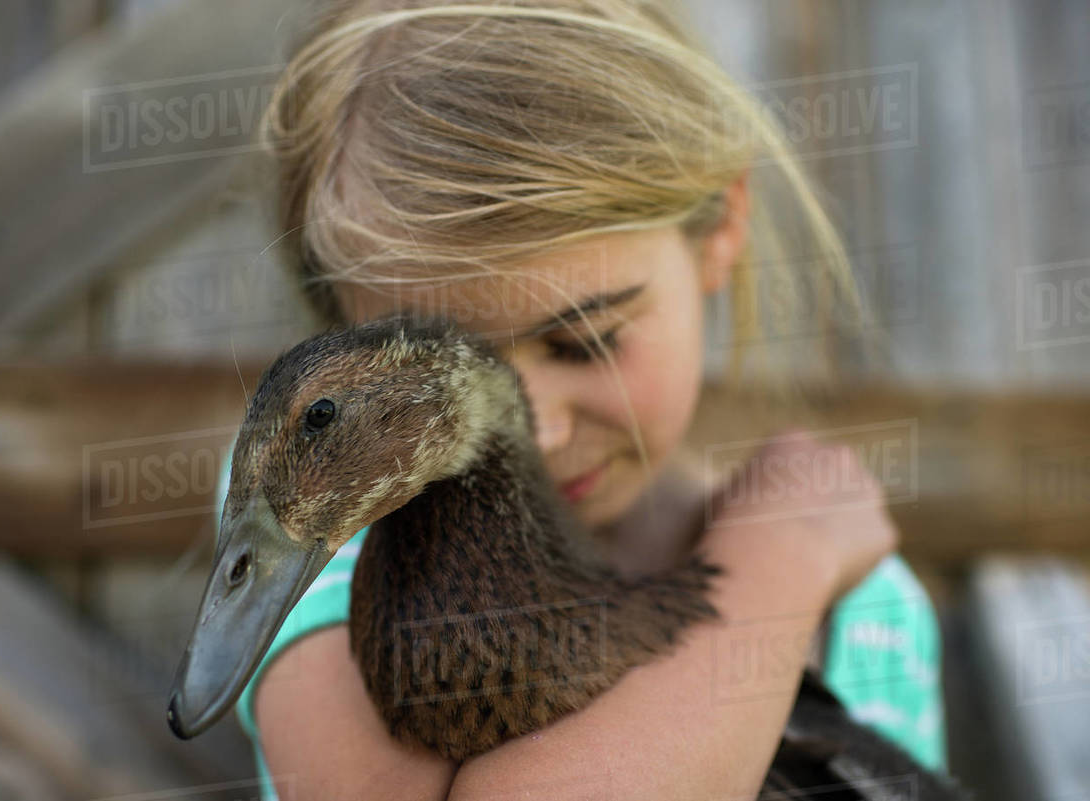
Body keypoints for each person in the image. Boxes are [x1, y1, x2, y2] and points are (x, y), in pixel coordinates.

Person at [218, 1, 947, 798]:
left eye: (586, 342)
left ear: (720, 233)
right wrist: (777, 567)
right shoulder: (310, 534)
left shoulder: (871, 615)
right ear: (336, 318)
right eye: (445, 368)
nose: (543, 429)